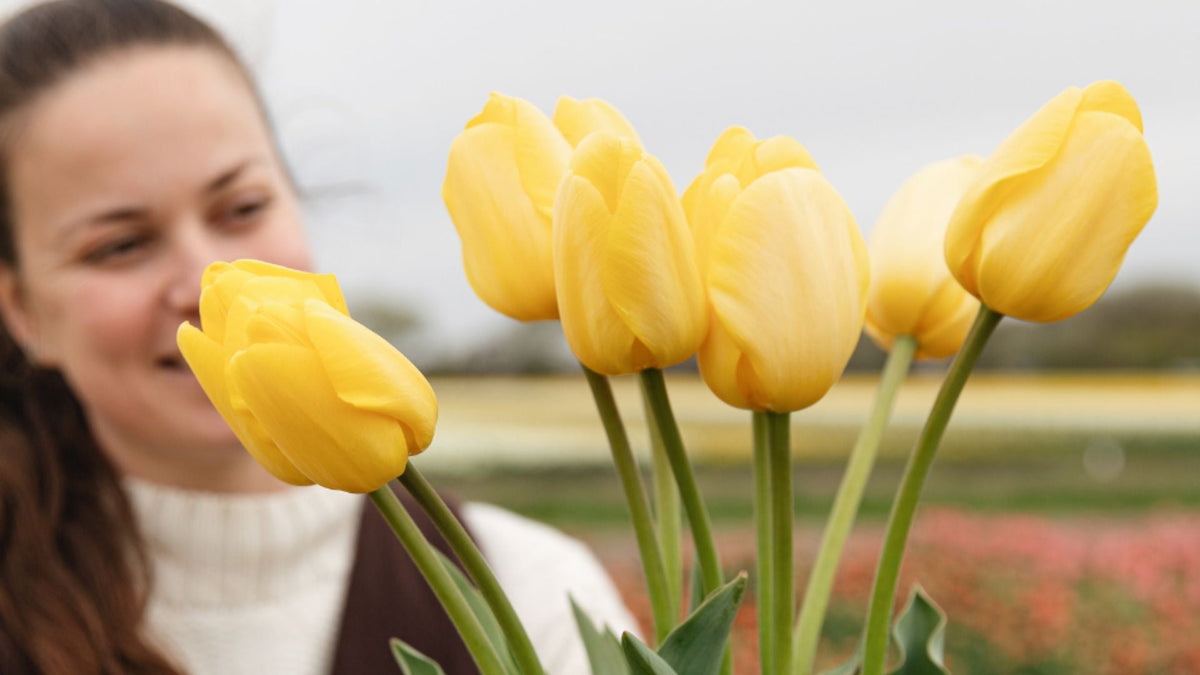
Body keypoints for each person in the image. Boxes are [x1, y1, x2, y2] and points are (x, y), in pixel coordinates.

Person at [0, 1, 638, 674]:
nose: (204, 279)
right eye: (120, 245)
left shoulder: (534, 593)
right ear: (22, 312)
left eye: (243, 207)